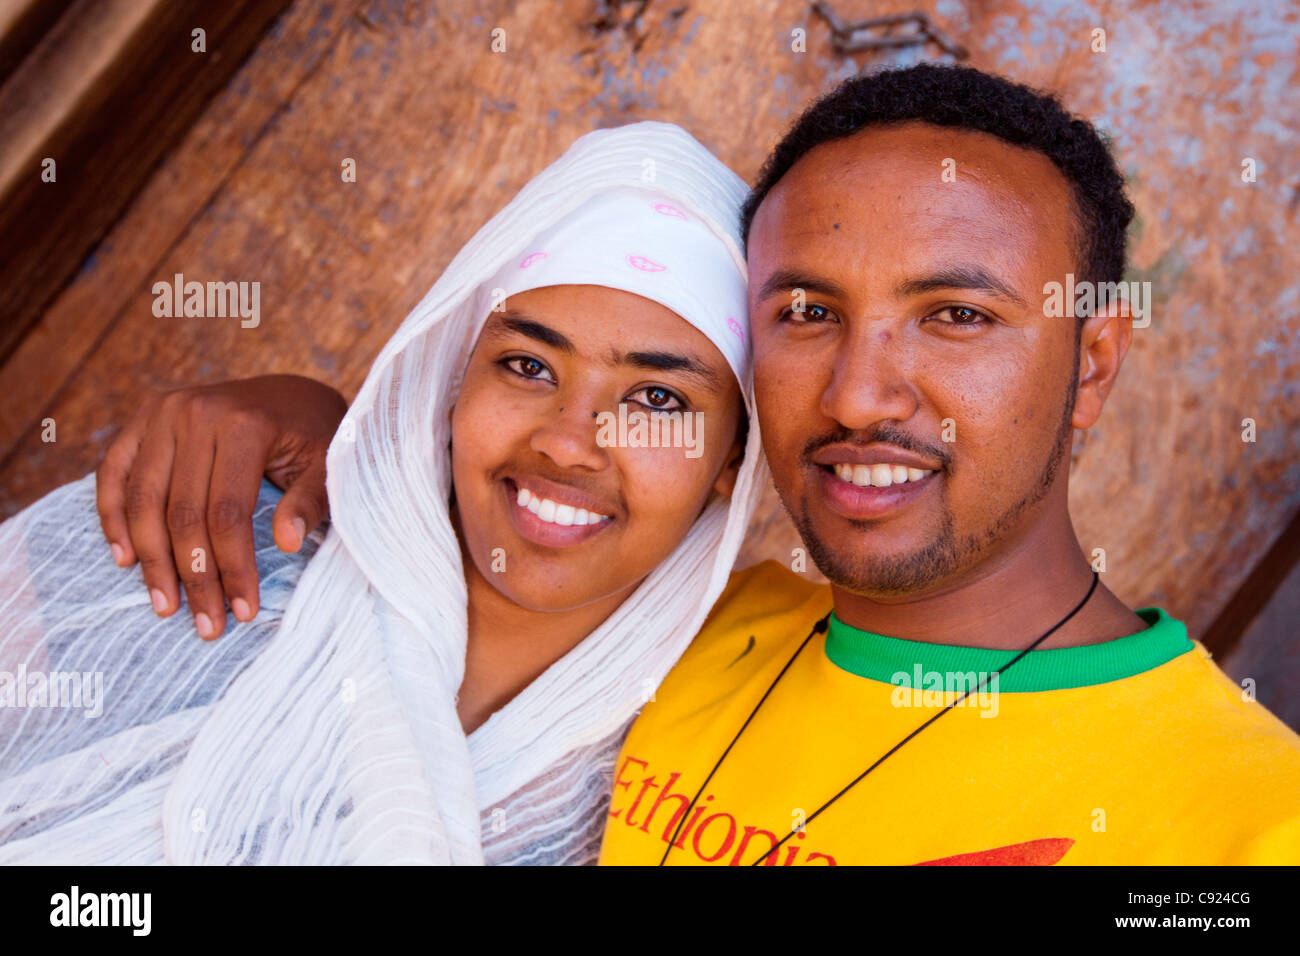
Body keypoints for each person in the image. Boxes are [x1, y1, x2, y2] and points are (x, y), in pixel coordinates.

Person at [128, 65, 1300, 866]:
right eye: (805, 310)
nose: (856, 394)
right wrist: (303, 420)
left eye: (953, 315)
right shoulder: (677, 622)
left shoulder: (1245, 817)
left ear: (1091, 362)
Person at [0, 121, 767, 865]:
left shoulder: (686, 797)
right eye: (528, 366)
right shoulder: (201, 542)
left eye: (657, 401)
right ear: (452, 374)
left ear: (733, 458)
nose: (568, 441)